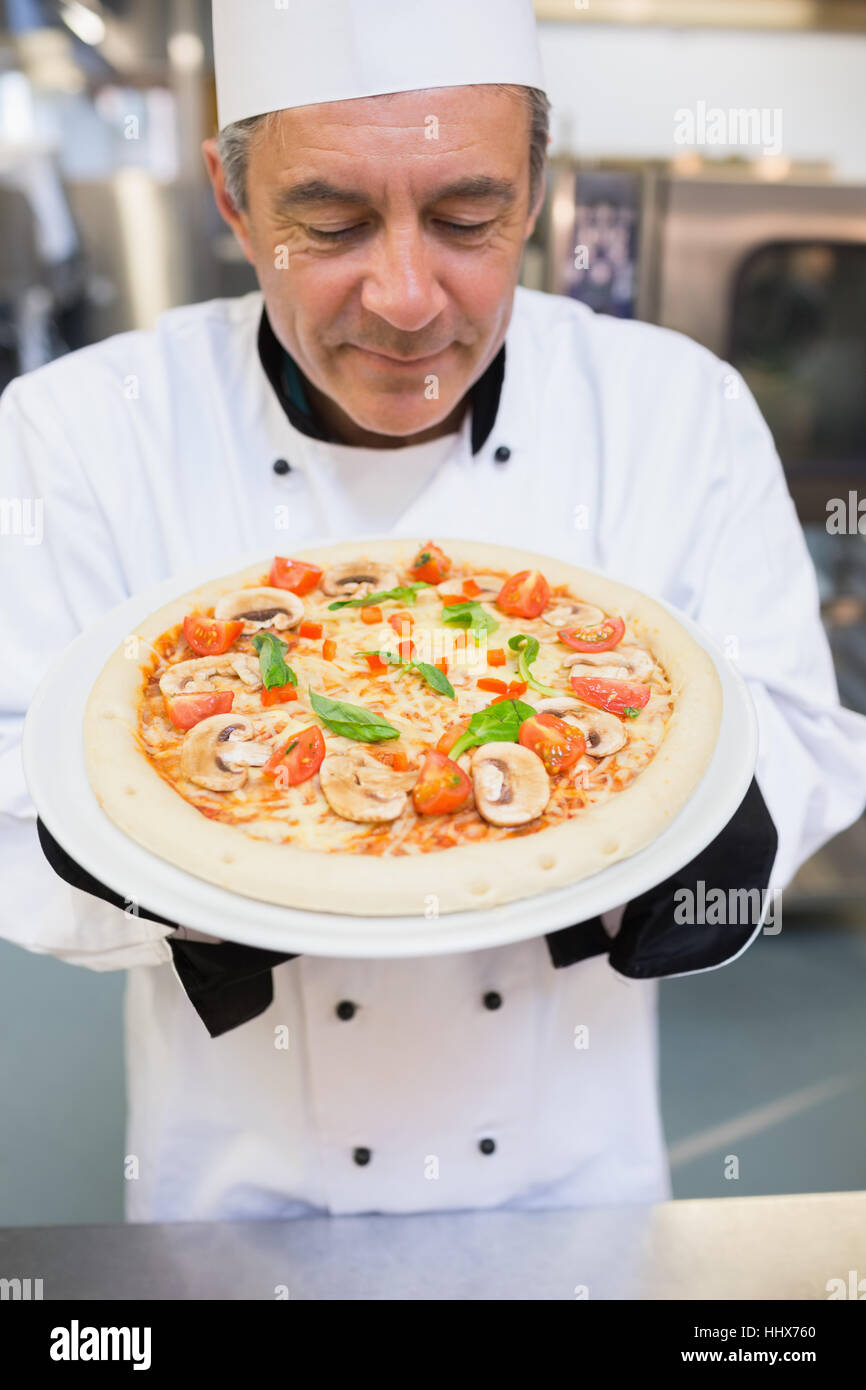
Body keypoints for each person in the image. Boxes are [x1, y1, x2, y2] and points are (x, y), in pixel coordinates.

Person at [2, 0, 865, 1223]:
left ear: (532, 194)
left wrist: (638, 855)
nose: (407, 298)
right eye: (332, 221)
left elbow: (800, 730)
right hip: (237, 1190)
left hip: (574, 1185)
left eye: (467, 220)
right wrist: (246, 867)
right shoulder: (83, 428)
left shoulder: (673, 404)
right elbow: (12, 776)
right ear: (235, 204)